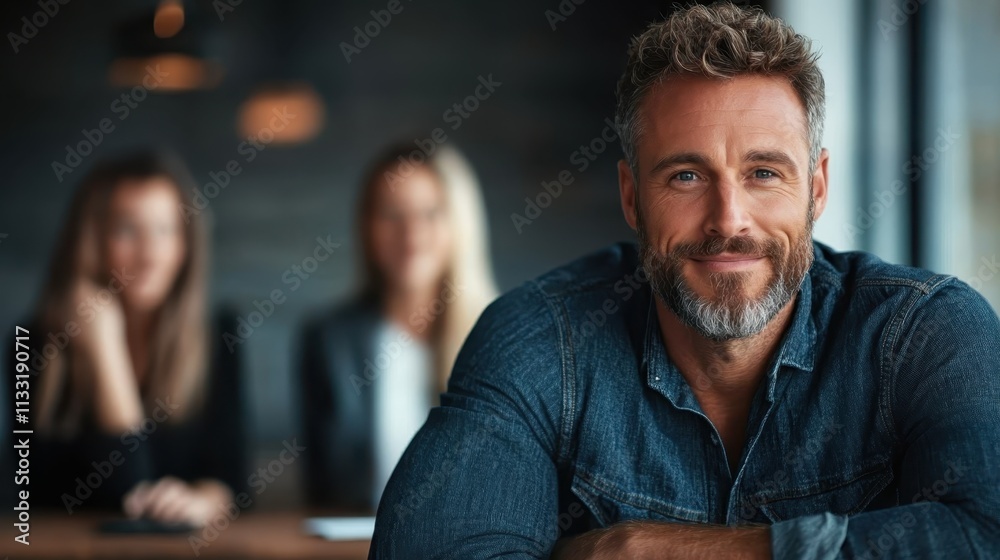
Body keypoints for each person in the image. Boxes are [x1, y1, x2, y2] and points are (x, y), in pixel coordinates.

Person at [369, 3, 1000, 559]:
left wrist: (647, 549)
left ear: (817, 188)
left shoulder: (925, 330)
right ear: (631, 197)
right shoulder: (542, 338)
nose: (729, 220)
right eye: (686, 177)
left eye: (763, 173)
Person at [10, 151, 247, 526]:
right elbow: (34, 497)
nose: (150, 254)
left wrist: (205, 500)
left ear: (186, 245)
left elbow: (232, 481)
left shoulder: (219, 335)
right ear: (93, 242)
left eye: (166, 230)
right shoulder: (31, 344)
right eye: (126, 230)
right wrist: (105, 352)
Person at [299, 143, 498, 512]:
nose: (411, 233)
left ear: (461, 223)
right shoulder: (327, 341)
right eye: (391, 214)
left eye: (430, 213)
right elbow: (322, 492)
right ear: (366, 227)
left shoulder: (502, 340)